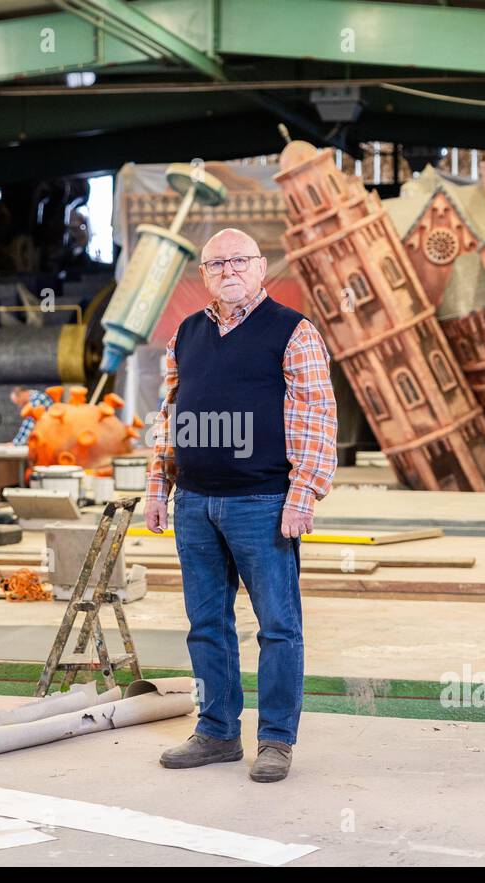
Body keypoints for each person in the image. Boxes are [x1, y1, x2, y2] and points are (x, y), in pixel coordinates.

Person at [145, 228, 336, 783]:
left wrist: (303, 495)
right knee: (206, 624)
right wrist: (160, 488)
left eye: (239, 261)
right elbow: (170, 413)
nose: (228, 270)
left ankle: (276, 740)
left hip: (263, 501)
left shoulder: (292, 332)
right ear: (204, 274)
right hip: (196, 503)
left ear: (260, 266)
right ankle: (217, 732)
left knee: (278, 627)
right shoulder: (187, 332)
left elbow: (317, 420)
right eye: (215, 263)